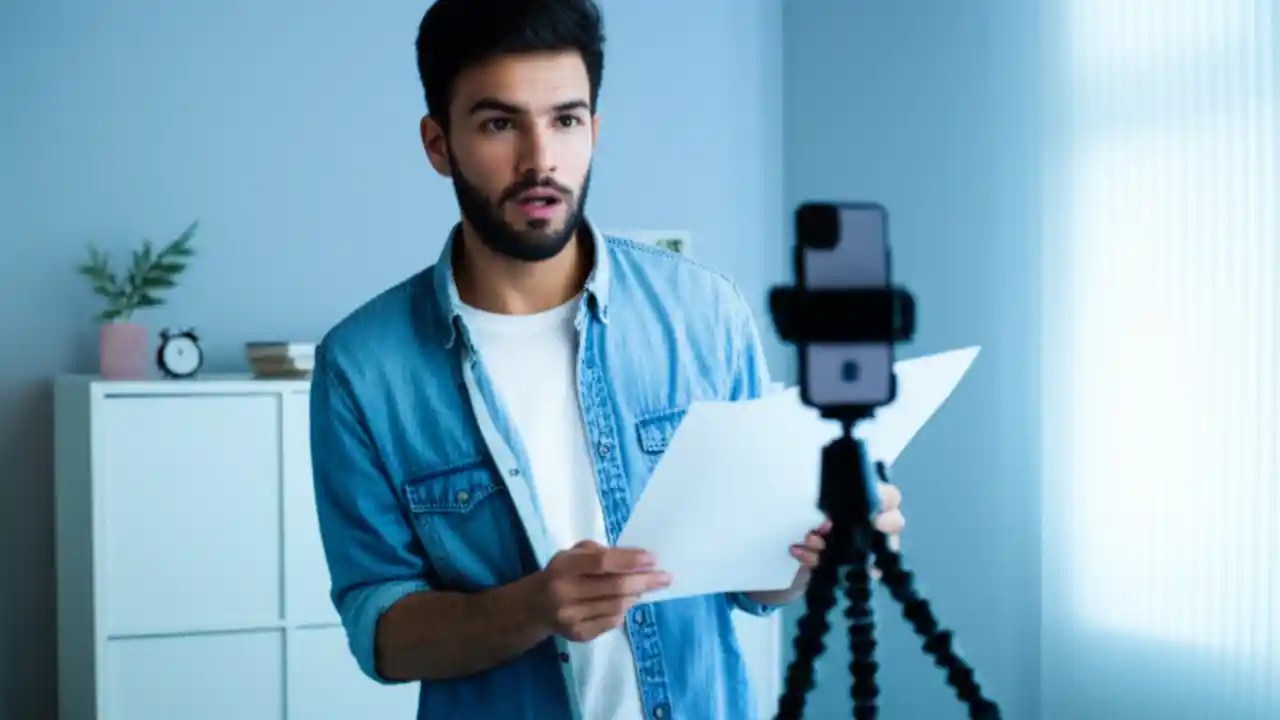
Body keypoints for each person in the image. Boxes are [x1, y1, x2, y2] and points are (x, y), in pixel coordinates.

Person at [308, 0, 906, 718]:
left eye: (564, 120)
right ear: (439, 145)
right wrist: (529, 609)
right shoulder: (363, 367)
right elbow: (381, 631)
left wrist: (818, 543)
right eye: (500, 123)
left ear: (593, 129)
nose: (540, 160)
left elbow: (760, 586)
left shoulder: (704, 312)